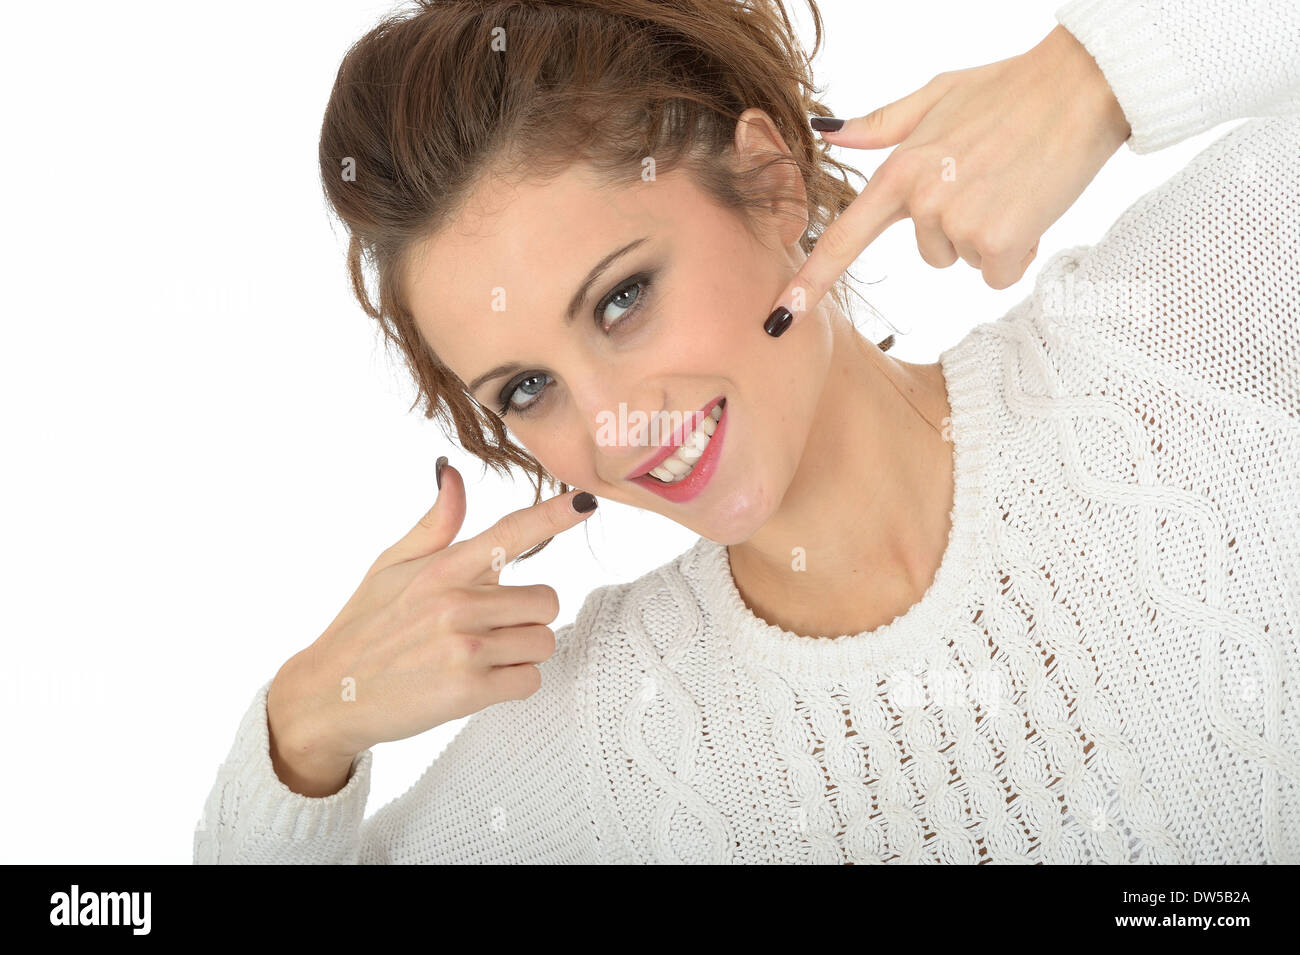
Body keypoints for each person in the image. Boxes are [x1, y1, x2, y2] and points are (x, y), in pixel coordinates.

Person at [194, 0, 1300, 864]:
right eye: (528, 388)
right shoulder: (621, 740)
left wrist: (1096, 73)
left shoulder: (1183, 336)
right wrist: (304, 733)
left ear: (772, 183)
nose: (612, 424)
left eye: (621, 297)